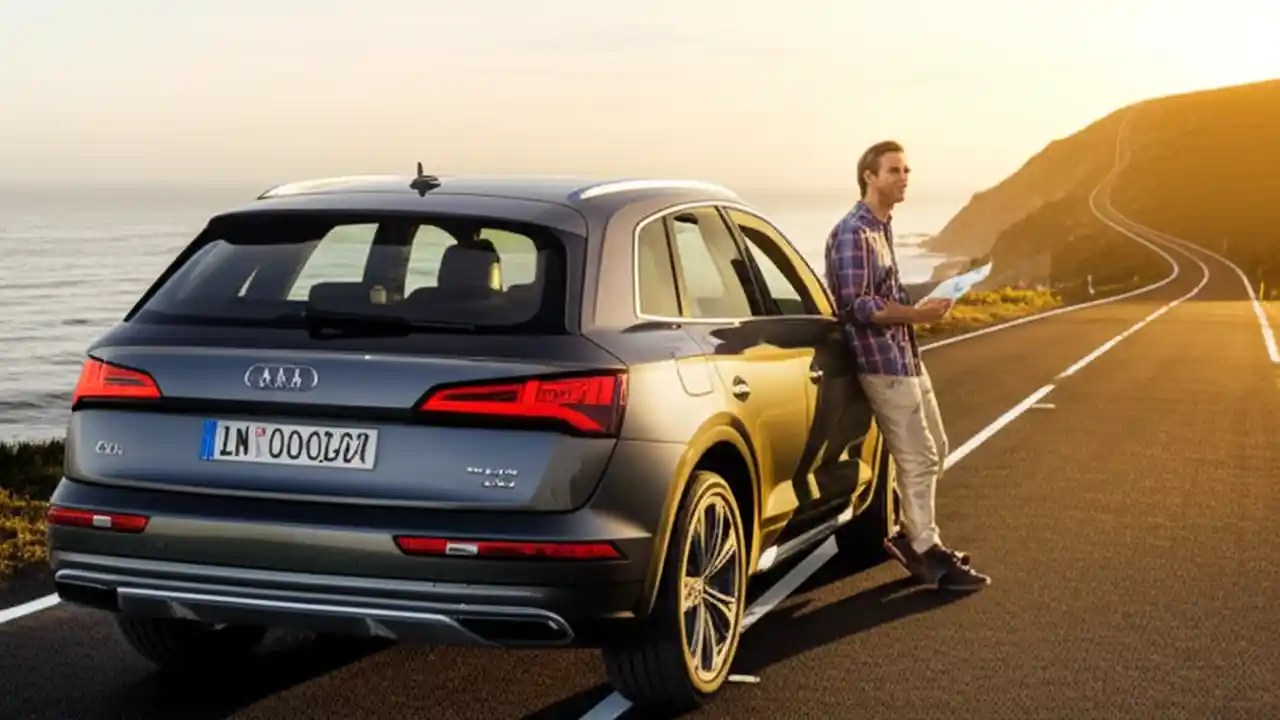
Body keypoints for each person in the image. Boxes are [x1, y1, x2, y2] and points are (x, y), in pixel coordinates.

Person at [824, 140, 991, 592]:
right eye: (894, 170)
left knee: (936, 446)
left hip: (906, 357)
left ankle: (909, 532)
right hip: (881, 364)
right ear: (869, 177)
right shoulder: (853, 232)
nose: (904, 178)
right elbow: (857, 306)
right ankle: (924, 547)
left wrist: (927, 308)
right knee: (917, 458)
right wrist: (917, 314)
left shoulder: (882, 227)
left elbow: (885, 296)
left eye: (906, 170)